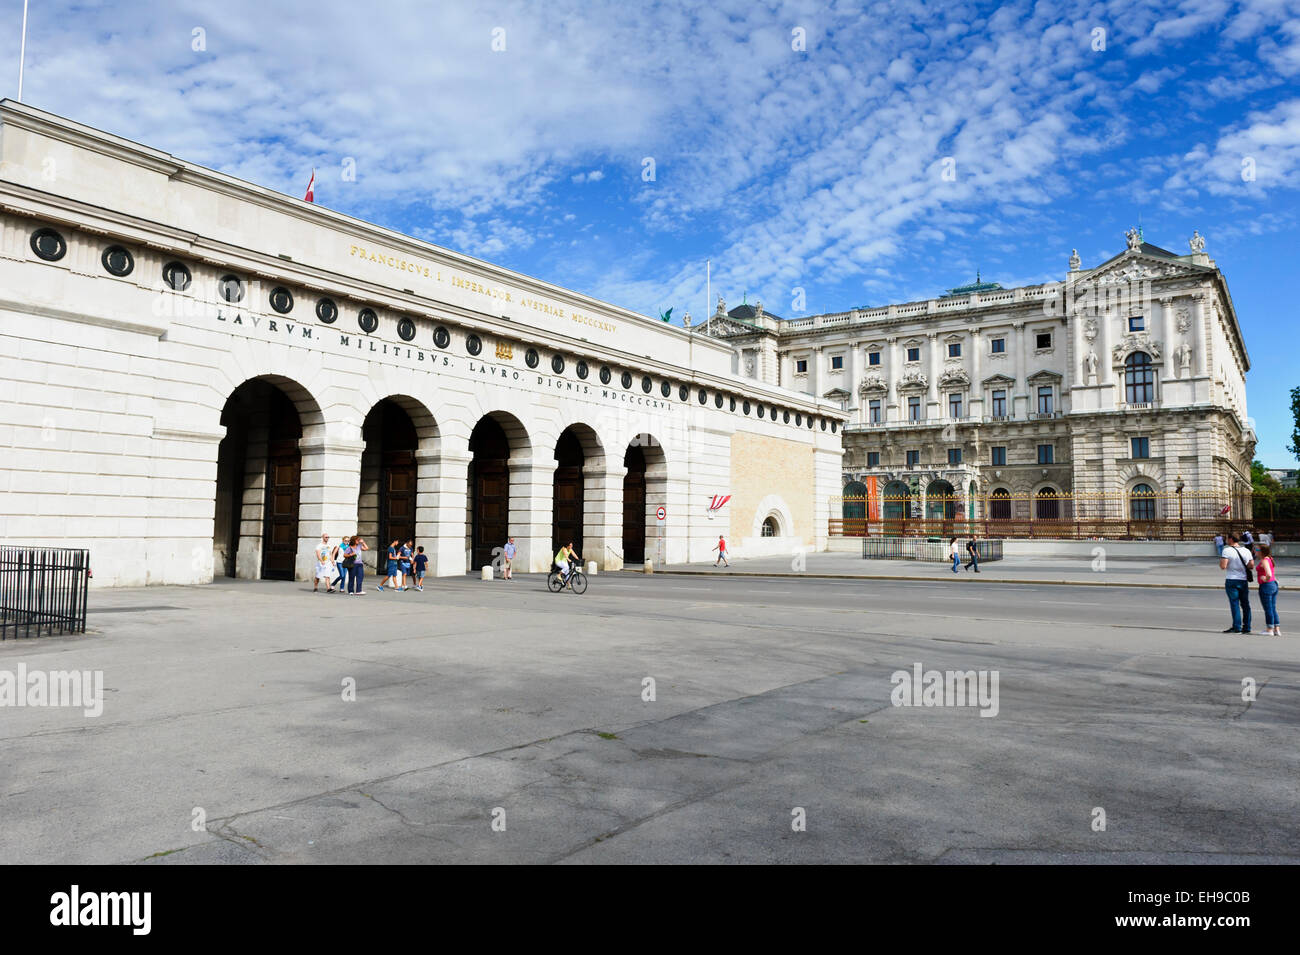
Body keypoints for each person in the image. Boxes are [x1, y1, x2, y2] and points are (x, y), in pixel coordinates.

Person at [1220, 532, 1253, 634]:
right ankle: (1247, 627)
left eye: (1227, 538)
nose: (1226, 540)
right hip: (1243, 580)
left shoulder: (1226, 550)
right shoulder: (1246, 550)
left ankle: (1237, 627)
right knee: (1245, 604)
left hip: (1232, 579)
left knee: (1234, 604)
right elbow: (1251, 565)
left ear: (1231, 539)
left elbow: (1223, 566)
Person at [1257, 543, 1280, 636]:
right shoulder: (1270, 558)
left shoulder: (1264, 560)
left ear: (1262, 551)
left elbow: (1269, 574)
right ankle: (1276, 629)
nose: (1255, 551)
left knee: (1268, 609)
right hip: (1273, 584)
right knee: (1273, 608)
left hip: (1266, 586)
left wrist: (1265, 579)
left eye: (1257, 550)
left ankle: (1269, 629)